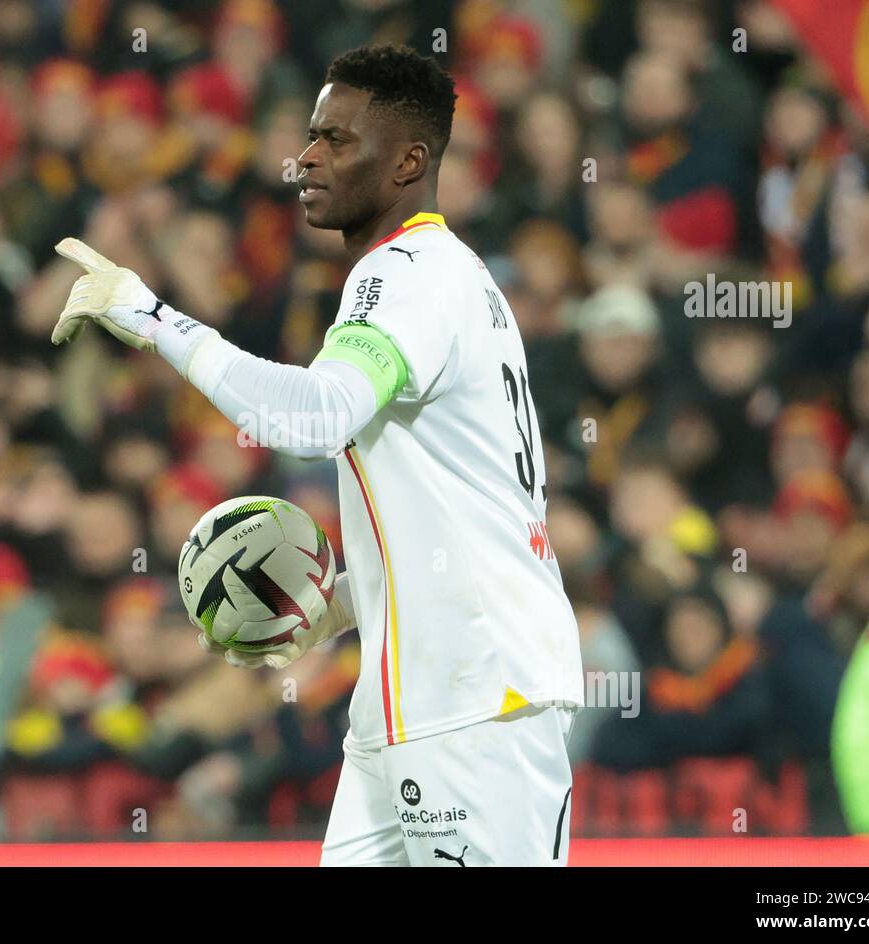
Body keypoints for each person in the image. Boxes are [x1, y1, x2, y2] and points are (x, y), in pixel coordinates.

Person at [49, 44, 583, 866]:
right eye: (310, 136)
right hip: (414, 694)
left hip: (475, 698)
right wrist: (334, 606)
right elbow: (453, 511)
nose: (306, 158)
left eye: (337, 139)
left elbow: (315, 415)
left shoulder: (410, 274)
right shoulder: (434, 276)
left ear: (409, 161)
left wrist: (148, 315)